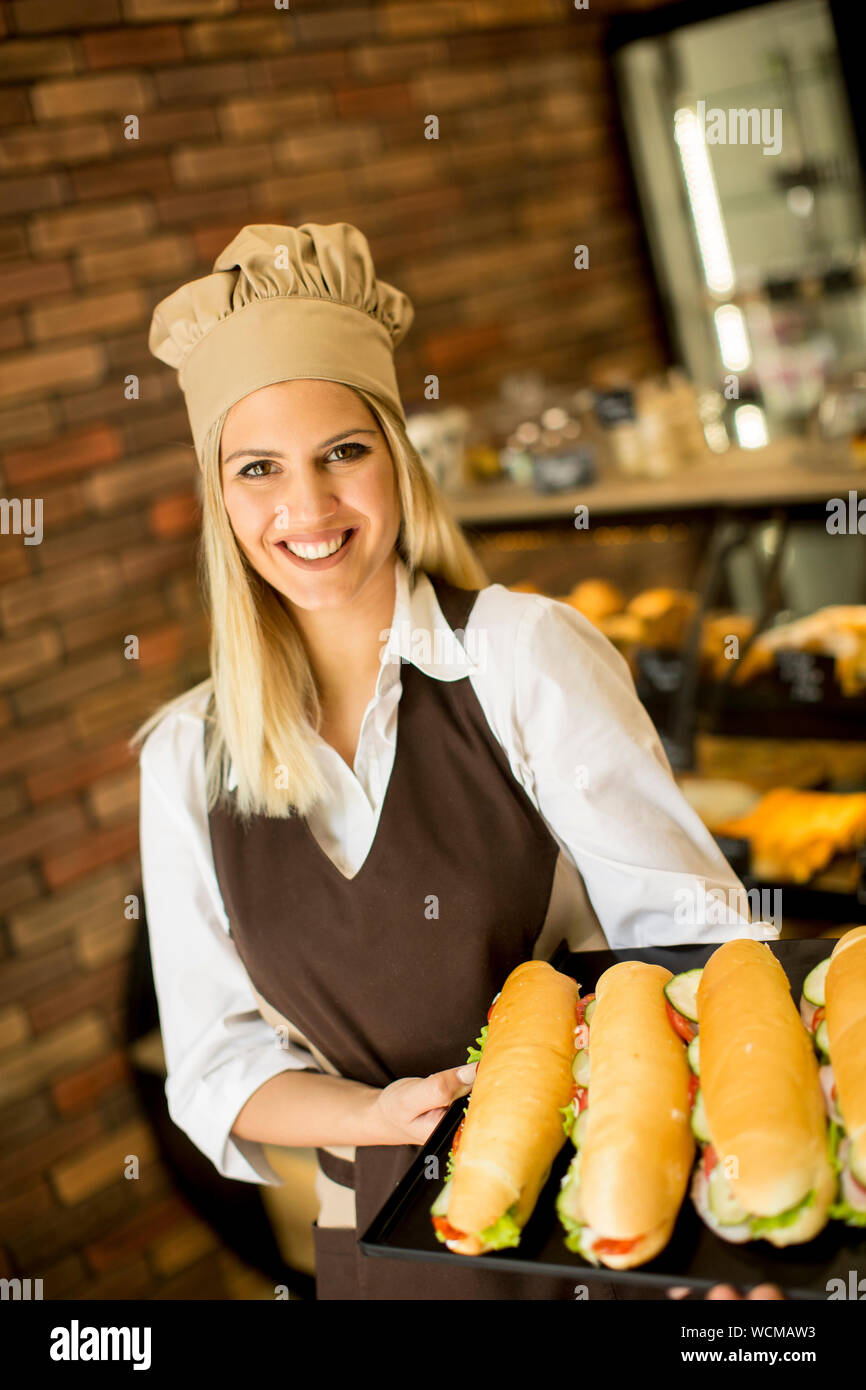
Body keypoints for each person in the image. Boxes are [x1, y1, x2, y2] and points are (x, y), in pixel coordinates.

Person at [133, 222, 779, 1300]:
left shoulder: (521, 654)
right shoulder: (186, 757)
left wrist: (744, 1216)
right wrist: (376, 1114)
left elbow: (691, 942)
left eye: (342, 450)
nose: (307, 508)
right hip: (384, 1250)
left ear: (396, 456)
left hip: (612, 1209)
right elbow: (215, 1063)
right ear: (222, 499)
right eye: (258, 468)